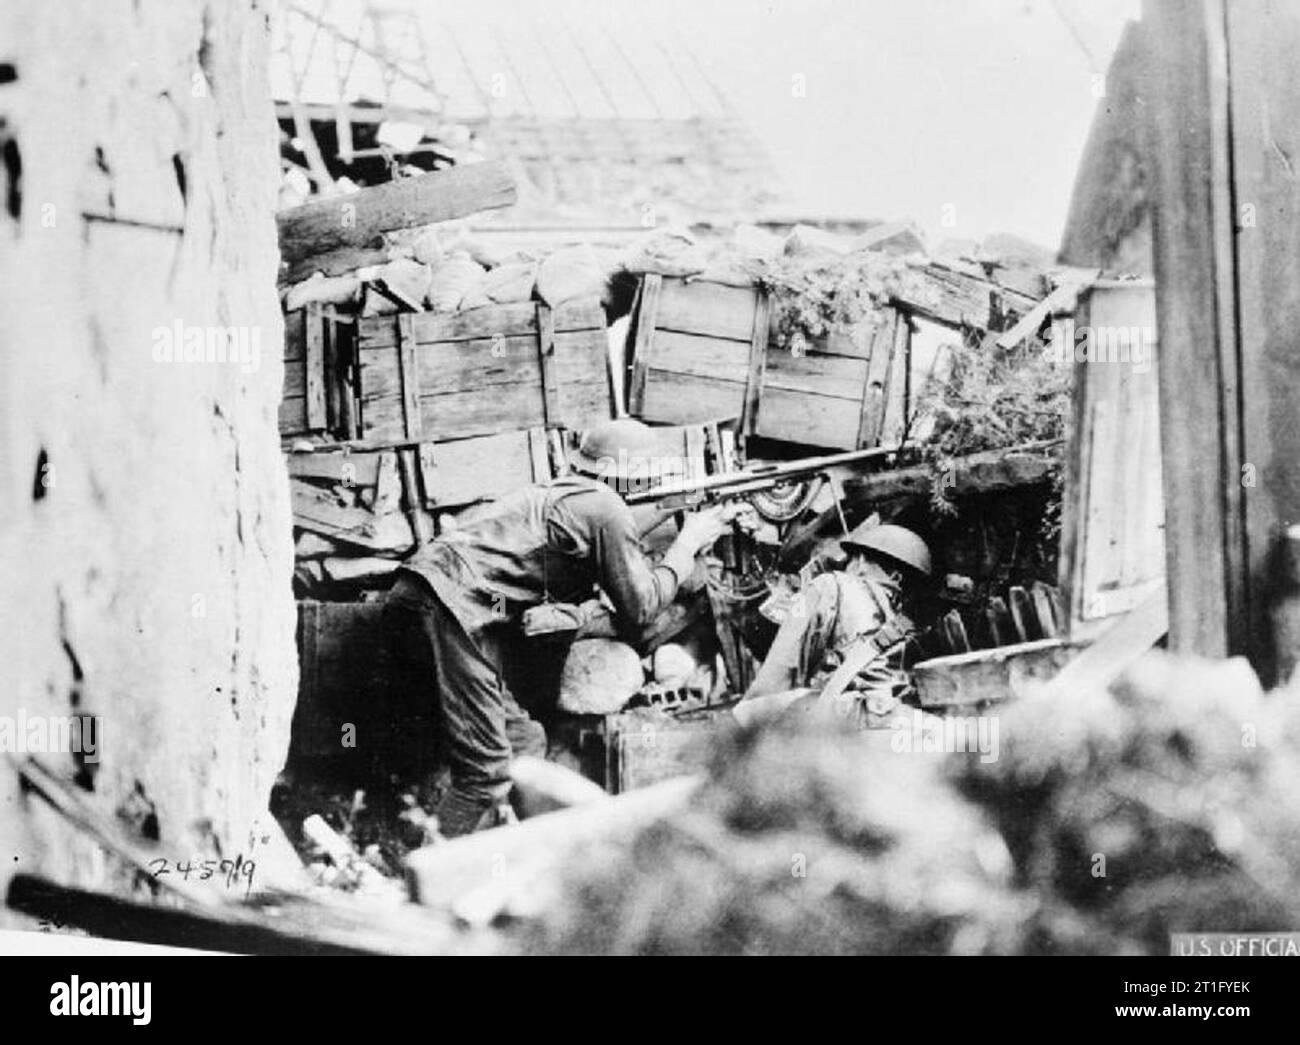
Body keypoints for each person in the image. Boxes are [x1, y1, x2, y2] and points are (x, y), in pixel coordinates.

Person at [383, 419, 742, 837]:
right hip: (450, 612)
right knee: (485, 770)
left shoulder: (562, 492)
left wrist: (679, 508)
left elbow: (602, 540)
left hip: (429, 600)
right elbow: (640, 608)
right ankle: (424, 876)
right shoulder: (605, 508)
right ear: (634, 475)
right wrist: (688, 543)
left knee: (525, 744)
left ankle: (527, 852)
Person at [740, 522, 932, 727]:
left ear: (861, 561)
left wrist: (745, 720)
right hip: (897, 727)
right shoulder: (908, 625)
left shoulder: (830, 585)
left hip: (841, 731)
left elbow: (782, 665)